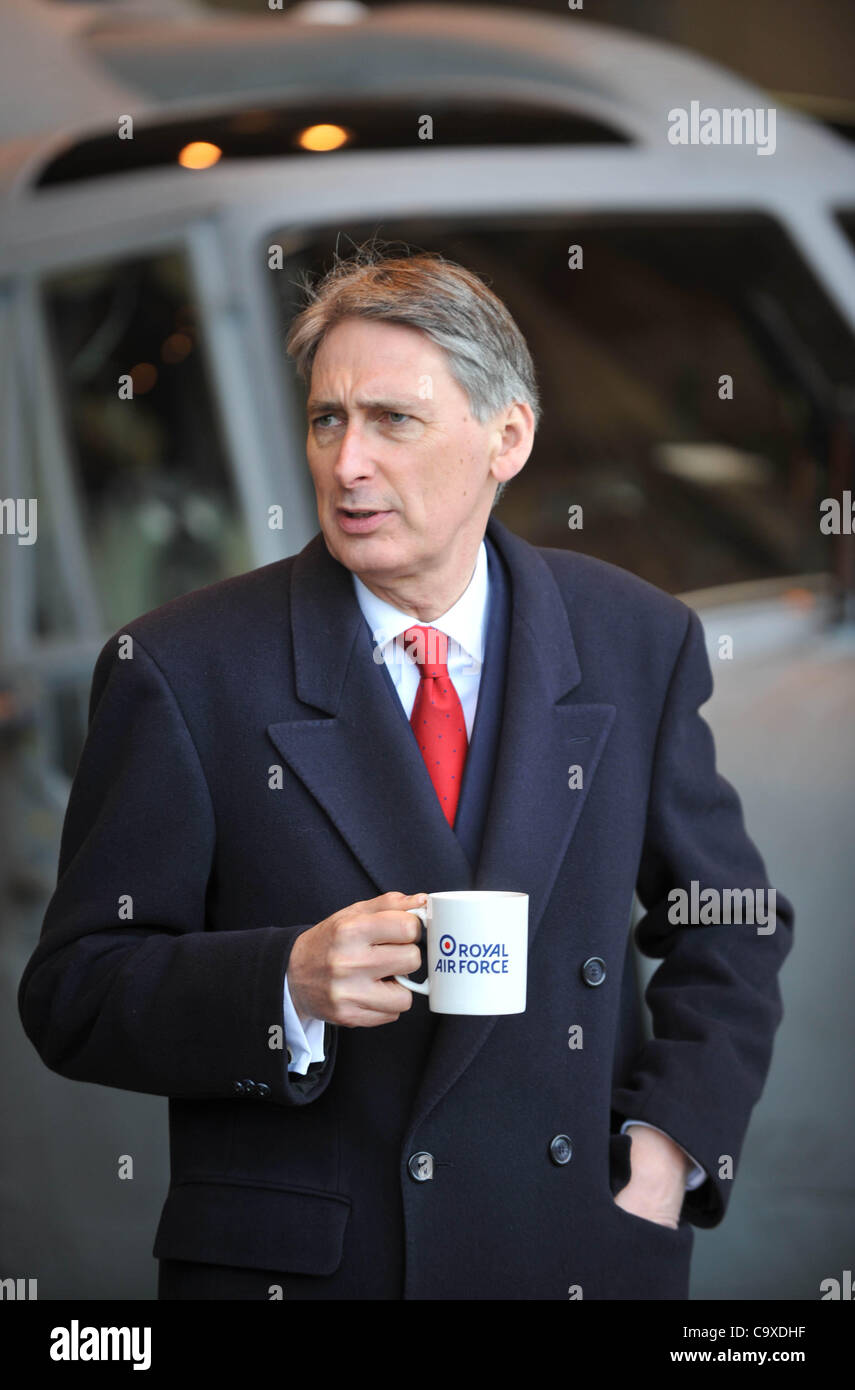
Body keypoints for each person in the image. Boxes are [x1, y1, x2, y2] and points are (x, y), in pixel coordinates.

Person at [18, 246, 793, 1300]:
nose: (347, 464)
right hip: (315, 1273)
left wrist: (666, 1151)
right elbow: (73, 990)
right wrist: (283, 982)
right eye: (328, 419)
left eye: (394, 420)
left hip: (567, 1255)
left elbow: (729, 915)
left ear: (506, 437)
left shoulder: (635, 640)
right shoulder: (181, 669)